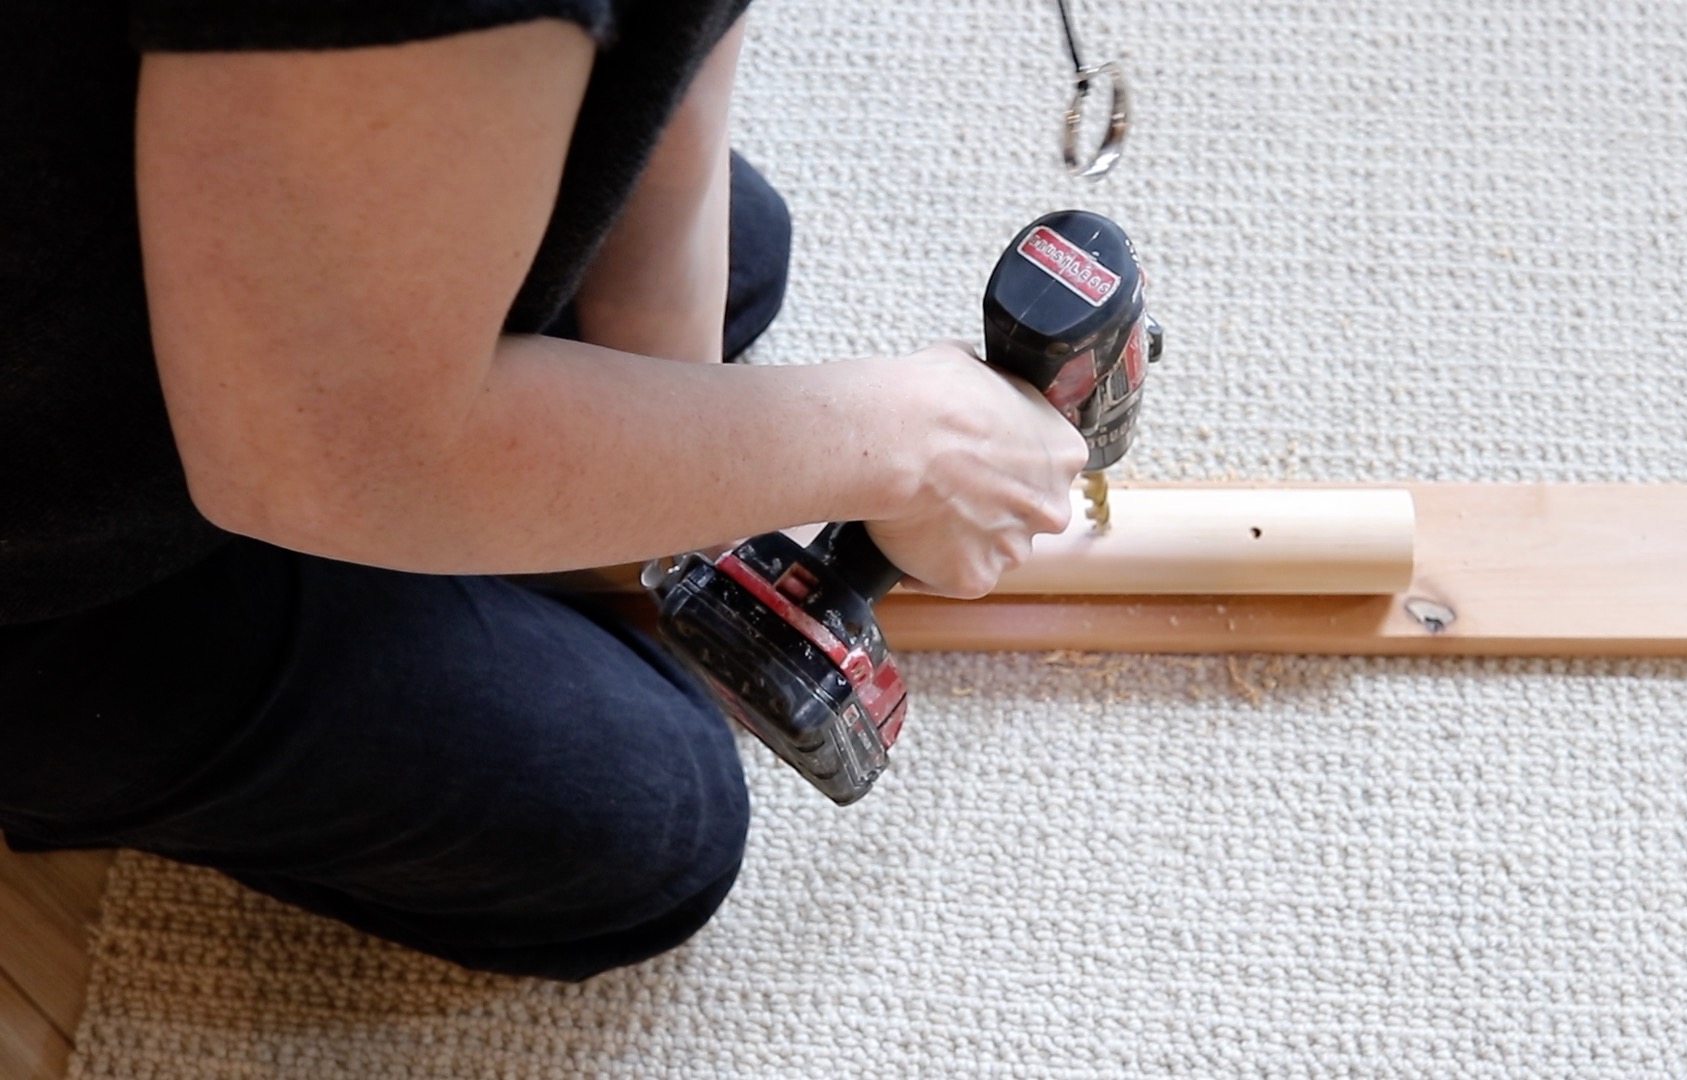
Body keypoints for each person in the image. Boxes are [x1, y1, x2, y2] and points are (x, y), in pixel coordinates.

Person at [0, 2, 1086, 981]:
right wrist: (908, 443)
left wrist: (691, 485)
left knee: (732, 252)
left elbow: (679, 51)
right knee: (650, 818)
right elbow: (334, 457)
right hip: (45, 541)